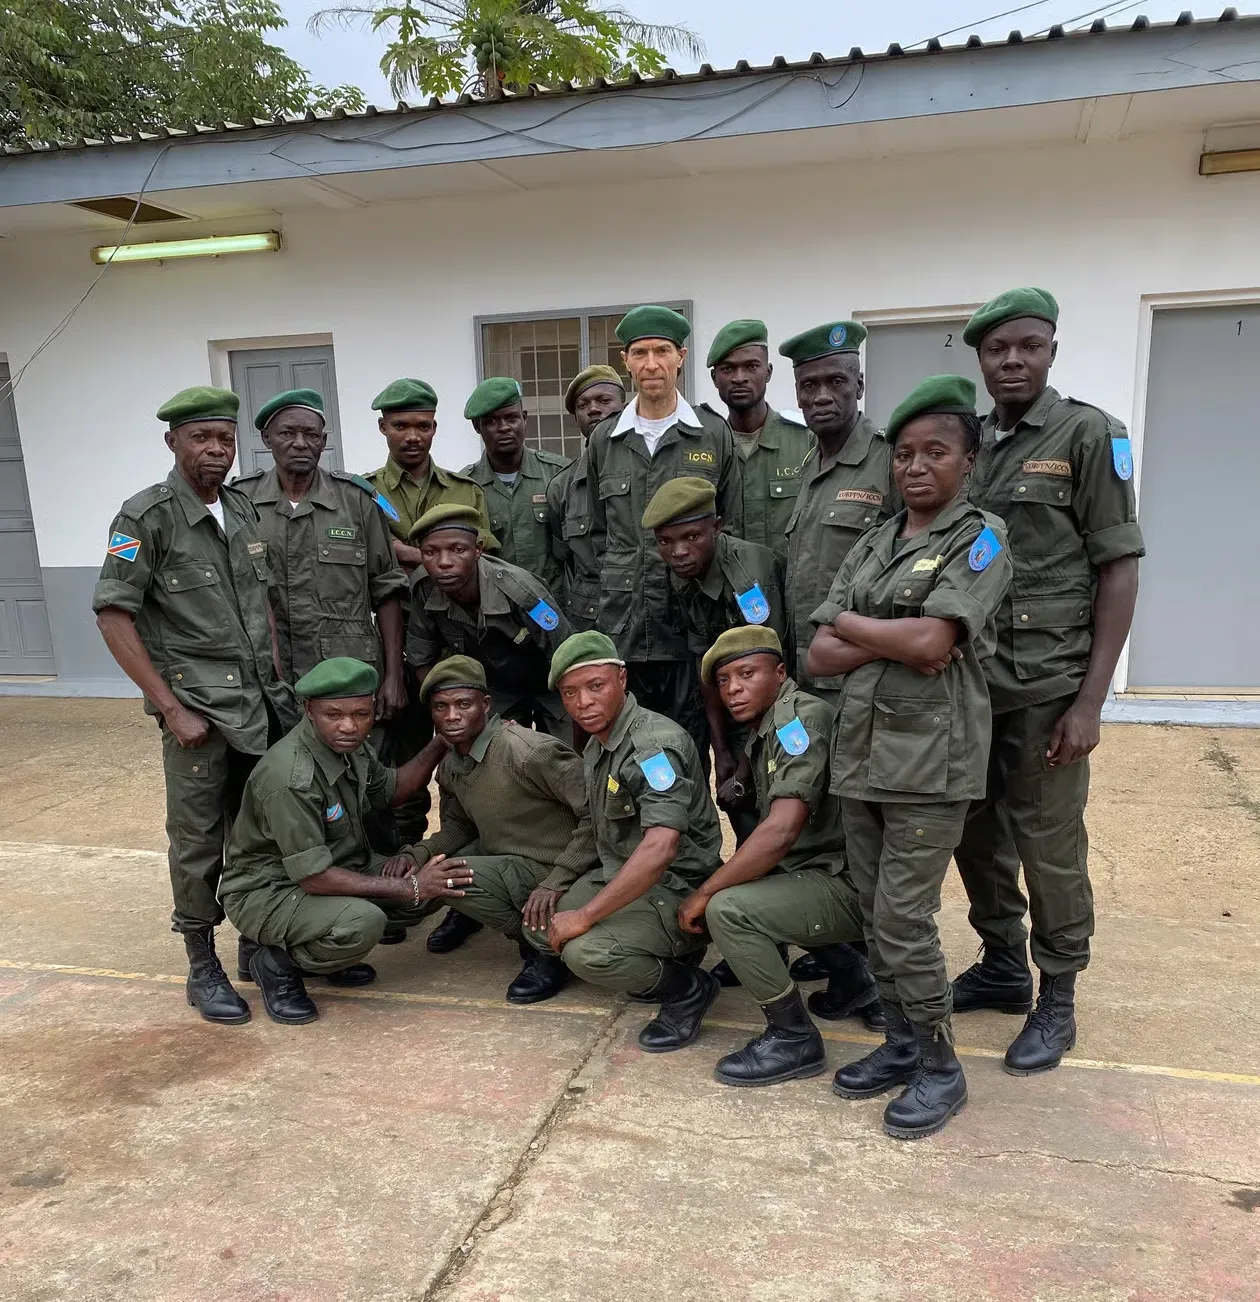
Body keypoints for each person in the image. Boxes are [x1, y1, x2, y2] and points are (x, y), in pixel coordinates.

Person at [807, 375, 1012, 1139]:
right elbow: (818, 653)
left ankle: (939, 1065)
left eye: (936, 452)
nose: (916, 467)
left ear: (969, 461)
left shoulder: (981, 538)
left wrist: (862, 627)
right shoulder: (874, 540)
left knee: (902, 919)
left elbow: (934, 640)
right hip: (861, 755)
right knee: (872, 912)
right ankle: (899, 1043)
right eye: (904, 454)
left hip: (931, 763)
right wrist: (893, 634)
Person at [950, 289, 1145, 1076]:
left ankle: (1057, 996)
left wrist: (1091, 701)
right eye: (997, 350)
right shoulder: (971, 441)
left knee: (1050, 847)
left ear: (1052, 350)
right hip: (972, 685)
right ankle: (1002, 962)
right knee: (976, 837)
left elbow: (1118, 567)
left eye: (1028, 346)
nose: (1012, 361)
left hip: (1048, 686)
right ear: (980, 359)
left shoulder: (1090, 434)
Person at [93, 385, 295, 1025]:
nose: (215, 450)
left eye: (224, 439)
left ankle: (258, 945)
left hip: (261, 707)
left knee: (258, 835)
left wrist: (278, 678)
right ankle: (201, 962)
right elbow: (113, 616)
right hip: (198, 714)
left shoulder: (242, 509)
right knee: (198, 841)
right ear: (172, 442)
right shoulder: (144, 518)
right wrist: (170, 709)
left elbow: (263, 604)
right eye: (201, 438)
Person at [676, 627, 878, 1087]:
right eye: (724, 681)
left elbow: (782, 831)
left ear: (780, 673)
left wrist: (704, 894)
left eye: (746, 674)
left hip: (851, 883)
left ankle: (793, 1037)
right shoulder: (772, 724)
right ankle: (853, 978)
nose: (733, 689)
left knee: (728, 908)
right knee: (748, 879)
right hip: (825, 871)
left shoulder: (797, 723)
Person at [221, 657, 464, 1025]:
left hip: (333, 869)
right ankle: (276, 963)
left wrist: (442, 741)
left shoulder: (349, 746)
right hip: (269, 890)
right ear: (309, 710)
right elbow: (314, 877)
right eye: (333, 714)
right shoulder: (291, 777)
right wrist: (410, 888)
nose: (349, 726)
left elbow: (393, 791)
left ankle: (318, 952)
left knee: (434, 885)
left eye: (361, 714)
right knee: (362, 922)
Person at [524, 632, 724, 1052]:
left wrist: (586, 915)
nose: (583, 702)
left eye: (595, 686)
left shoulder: (651, 747)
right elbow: (598, 827)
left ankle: (688, 989)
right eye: (570, 693)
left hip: (677, 885)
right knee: (539, 925)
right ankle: (664, 954)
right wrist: (559, 883)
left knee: (588, 953)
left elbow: (661, 848)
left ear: (622, 679)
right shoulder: (601, 742)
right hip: (625, 874)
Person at [586, 304, 742, 739]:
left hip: (691, 627)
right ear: (626, 361)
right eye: (640, 353)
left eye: (662, 351)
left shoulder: (712, 434)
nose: (651, 364)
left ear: (681, 357)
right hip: (625, 626)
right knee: (627, 744)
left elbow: (731, 526)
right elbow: (596, 533)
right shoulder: (605, 440)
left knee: (690, 743)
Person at [403, 656, 597, 1004]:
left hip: (560, 866)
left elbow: (597, 815)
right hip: (509, 859)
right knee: (433, 875)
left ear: (486, 705)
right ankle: (528, 932)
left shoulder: (528, 751)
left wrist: (558, 879)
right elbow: (461, 823)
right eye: (441, 707)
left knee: (453, 877)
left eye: (464, 705)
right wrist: (419, 854)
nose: (452, 716)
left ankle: (546, 949)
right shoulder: (453, 762)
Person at [364, 377, 495, 858]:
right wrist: (426, 554)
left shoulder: (464, 489)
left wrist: (406, 551)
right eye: (401, 425)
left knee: (467, 762)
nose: (412, 435)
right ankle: (402, 866)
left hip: (456, 644)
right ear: (384, 428)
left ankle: (463, 862)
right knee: (401, 764)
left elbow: (483, 555)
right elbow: (367, 559)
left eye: (422, 425)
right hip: (391, 646)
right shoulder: (362, 492)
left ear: (435, 428)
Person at [233, 388, 408, 706]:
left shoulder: (355, 500)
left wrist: (394, 676)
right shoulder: (241, 502)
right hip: (268, 677)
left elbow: (387, 589)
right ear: (267, 438)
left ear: (323, 441)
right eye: (287, 433)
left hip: (347, 674)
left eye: (311, 435)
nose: (300, 443)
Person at [641, 474, 786, 838]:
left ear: (717, 528)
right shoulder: (682, 573)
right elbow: (704, 661)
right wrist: (720, 750)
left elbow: (773, 678)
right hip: (737, 695)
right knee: (733, 796)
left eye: (692, 537)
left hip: (780, 701)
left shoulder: (747, 579)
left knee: (769, 798)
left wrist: (744, 766)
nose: (678, 552)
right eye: (665, 542)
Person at [779, 321, 900, 706]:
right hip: (805, 675)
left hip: (862, 680)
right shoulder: (809, 466)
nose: (821, 397)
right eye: (809, 386)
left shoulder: (890, 460)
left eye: (836, 382)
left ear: (859, 385)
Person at [406, 504, 573, 738]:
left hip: (551, 683)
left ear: (478, 549)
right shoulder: (424, 587)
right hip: (495, 691)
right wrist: (455, 708)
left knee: (566, 751)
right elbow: (421, 659)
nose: (444, 562)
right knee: (490, 751)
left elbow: (568, 653)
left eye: (458, 549)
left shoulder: (521, 591)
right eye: (430, 552)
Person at [702, 318, 813, 560]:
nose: (739, 378)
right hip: (726, 581)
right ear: (714, 378)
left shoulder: (806, 441)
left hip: (788, 581)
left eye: (751, 366)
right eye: (727, 369)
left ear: (768, 372)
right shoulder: (705, 446)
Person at [461, 377, 569, 593]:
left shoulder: (559, 474)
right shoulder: (465, 487)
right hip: (497, 605)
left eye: (511, 418)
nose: (503, 428)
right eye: (491, 422)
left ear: (524, 418)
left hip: (554, 604)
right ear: (477, 427)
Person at [547, 365, 627, 629]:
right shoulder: (562, 487)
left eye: (604, 400)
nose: (593, 409)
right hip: (590, 619)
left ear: (625, 406)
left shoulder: (652, 466)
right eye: (583, 405)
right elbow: (564, 563)